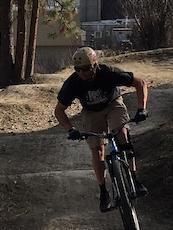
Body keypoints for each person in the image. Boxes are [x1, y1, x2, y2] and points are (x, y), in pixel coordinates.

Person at [54, 46, 149, 213]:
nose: (82, 73)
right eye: (78, 69)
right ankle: (104, 192)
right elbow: (59, 110)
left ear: (95, 65)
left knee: (122, 135)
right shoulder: (72, 83)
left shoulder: (108, 72)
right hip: (91, 112)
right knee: (97, 151)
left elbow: (140, 83)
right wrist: (70, 129)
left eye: (86, 68)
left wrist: (142, 109)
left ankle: (134, 179)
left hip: (113, 104)